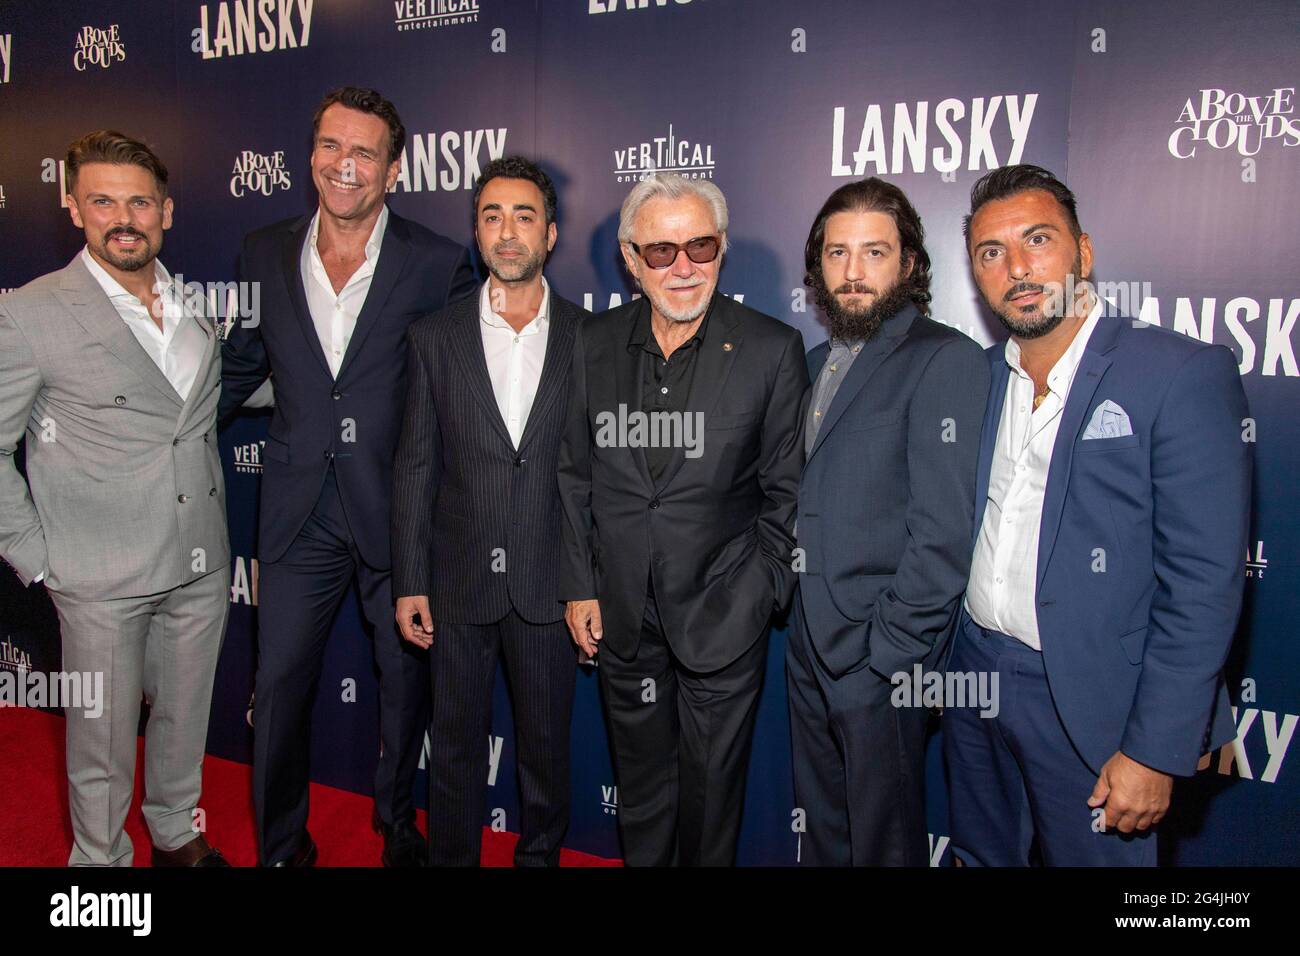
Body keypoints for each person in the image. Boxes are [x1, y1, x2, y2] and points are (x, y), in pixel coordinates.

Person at [946, 164, 1251, 865]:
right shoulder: (980, 378)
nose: (1017, 267)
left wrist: (1155, 746)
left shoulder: (1176, 372)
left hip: (1097, 704)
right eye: (991, 253)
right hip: (976, 676)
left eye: (1038, 240)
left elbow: (1203, 582)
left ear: (1083, 252)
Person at [220, 87, 477, 867]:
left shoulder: (435, 262)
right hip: (297, 512)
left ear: (392, 171)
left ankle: (398, 829)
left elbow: (466, 385)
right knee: (281, 685)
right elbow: (235, 371)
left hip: (399, 512)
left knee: (405, 689)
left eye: (365, 153)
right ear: (311, 156)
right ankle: (280, 845)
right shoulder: (263, 252)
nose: (345, 165)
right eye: (332, 146)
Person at [558, 173, 808, 866]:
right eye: (661, 251)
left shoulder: (770, 349)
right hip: (622, 615)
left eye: (699, 246)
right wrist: (581, 585)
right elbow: (575, 472)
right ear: (631, 261)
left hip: (725, 617)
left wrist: (758, 599)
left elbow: (787, 496)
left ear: (722, 249)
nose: (683, 267)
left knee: (711, 800)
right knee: (640, 794)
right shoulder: (593, 342)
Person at [0, 131, 230, 867]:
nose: (122, 216)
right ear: (73, 207)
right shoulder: (32, 313)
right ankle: (101, 868)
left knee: (184, 717)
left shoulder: (191, 305)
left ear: (164, 211)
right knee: (99, 741)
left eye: (138, 201)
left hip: (198, 560)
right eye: (102, 200)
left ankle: (173, 828)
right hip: (97, 575)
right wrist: (41, 558)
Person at [391, 156, 588, 866]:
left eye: (524, 216)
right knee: (453, 751)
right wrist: (410, 579)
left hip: (547, 586)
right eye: (493, 216)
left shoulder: (585, 338)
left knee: (544, 756)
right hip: (457, 585)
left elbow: (590, 475)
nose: (508, 233)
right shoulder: (434, 337)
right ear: (476, 232)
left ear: (551, 233)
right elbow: (415, 465)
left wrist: (584, 581)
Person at [790, 178, 988, 866]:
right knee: (824, 831)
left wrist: (889, 654)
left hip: (881, 657)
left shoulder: (944, 358)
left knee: (884, 843)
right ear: (818, 267)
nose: (853, 272)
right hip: (808, 644)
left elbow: (943, 532)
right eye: (838, 253)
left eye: (874, 252)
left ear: (907, 265)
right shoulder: (813, 365)